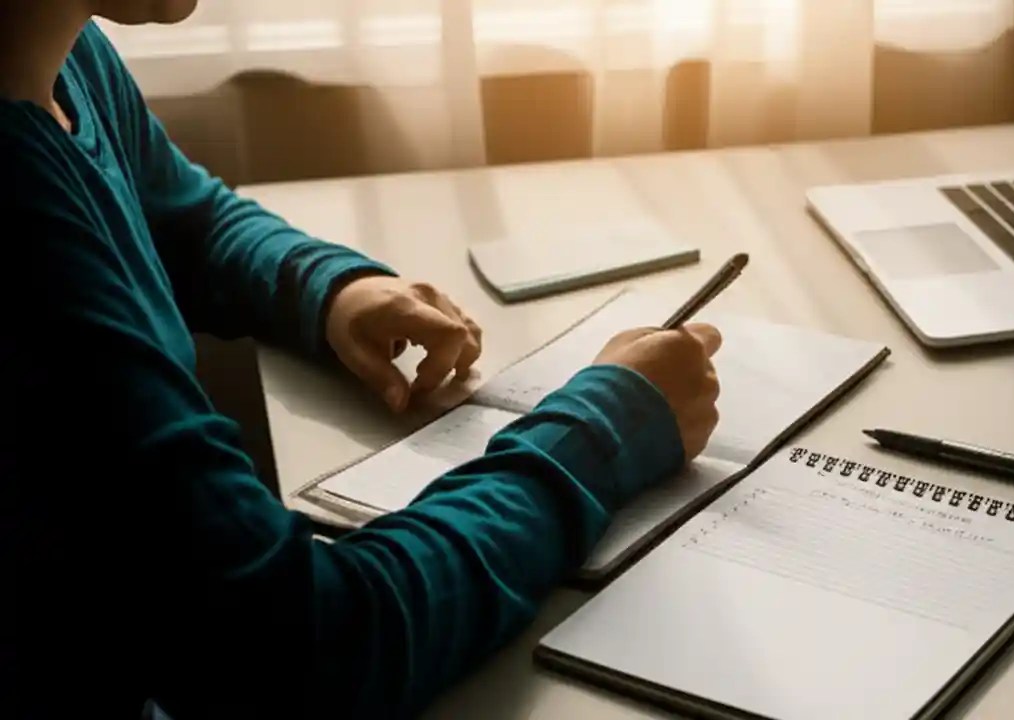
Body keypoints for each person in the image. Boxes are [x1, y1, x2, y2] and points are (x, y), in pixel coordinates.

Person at [0, 2, 722, 717]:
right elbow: (306, 651)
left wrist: (331, 289)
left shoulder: (59, 44)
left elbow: (186, 219)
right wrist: (603, 431)